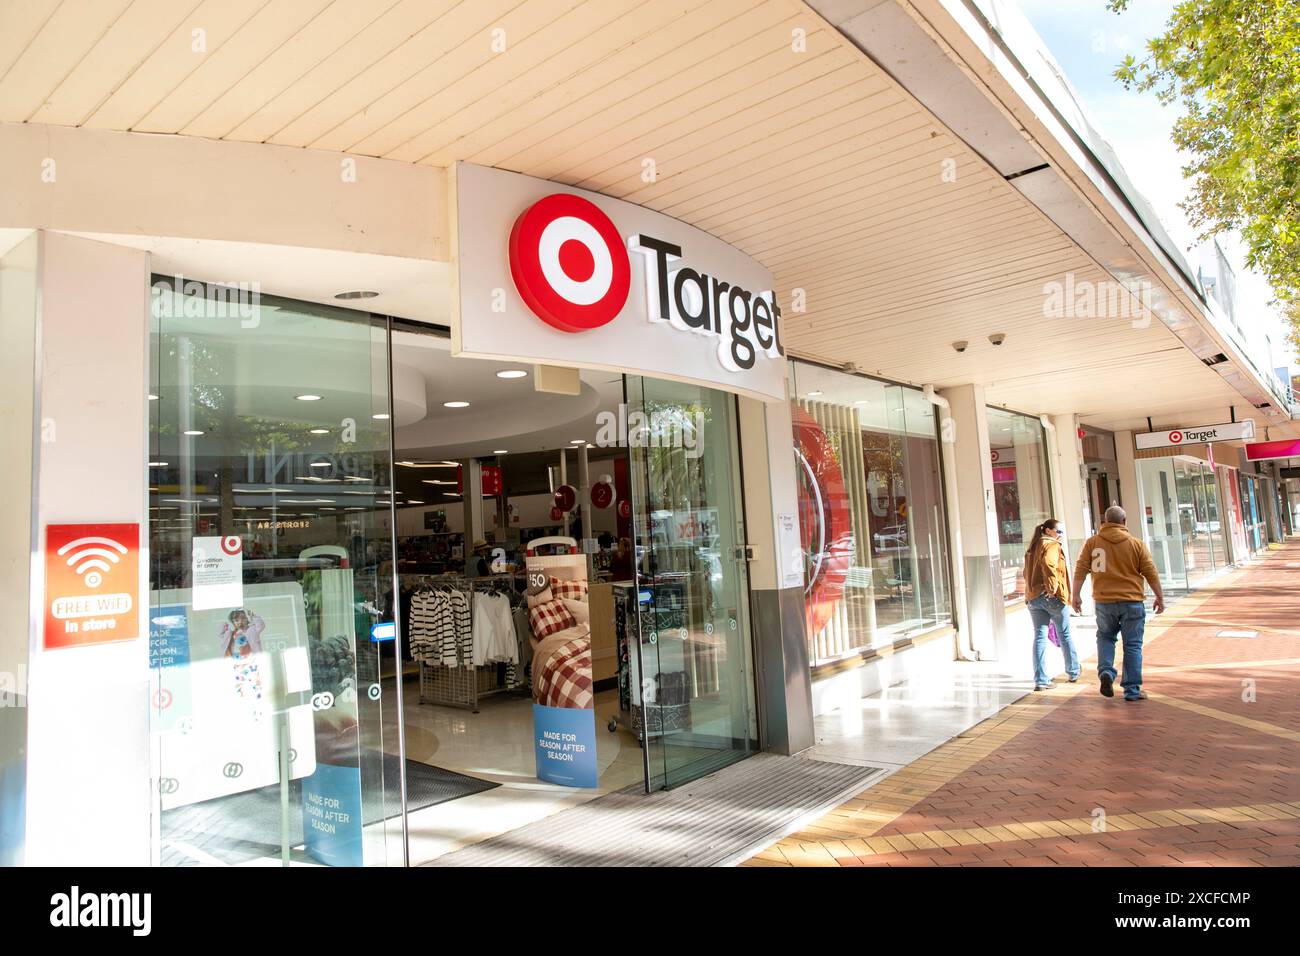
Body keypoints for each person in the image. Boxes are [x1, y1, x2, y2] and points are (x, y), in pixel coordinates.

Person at [1071, 505, 1165, 701]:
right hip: (1132, 601)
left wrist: (1076, 595)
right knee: (1132, 645)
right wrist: (1159, 597)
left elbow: (1080, 569)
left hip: (1104, 601)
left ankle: (1106, 671)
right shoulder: (1135, 544)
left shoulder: (1092, 543)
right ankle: (1132, 690)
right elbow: (1150, 571)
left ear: (1105, 521)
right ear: (1124, 522)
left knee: (1105, 636)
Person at [1023, 518, 1079, 690]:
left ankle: (1040, 680)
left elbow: (1026, 572)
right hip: (1051, 597)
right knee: (1064, 633)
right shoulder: (1051, 545)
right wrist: (1052, 588)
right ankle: (1073, 671)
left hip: (1033, 597)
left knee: (1040, 636)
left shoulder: (1032, 547)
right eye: (1059, 531)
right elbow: (1049, 565)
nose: (1060, 535)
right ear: (1048, 531)